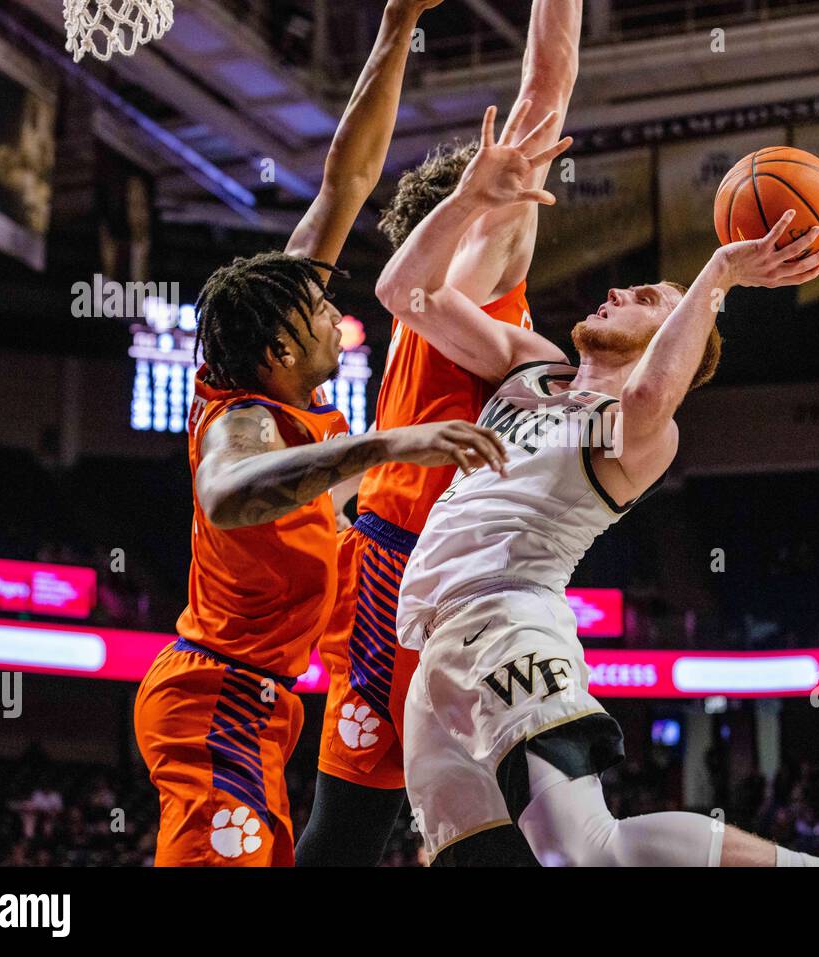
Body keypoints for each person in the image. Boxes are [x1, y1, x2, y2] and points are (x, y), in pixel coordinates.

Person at [376, 105, 819, 867]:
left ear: (677, 340)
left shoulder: (639, 432)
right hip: (437, 643)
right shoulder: (531, 363)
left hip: (507, 616)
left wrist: (720, 273)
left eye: (646, 298)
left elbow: (648, 398)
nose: (619, 292)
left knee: (587, 850)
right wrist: (470, 195)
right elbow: (401, 293)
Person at [132, 0, 508, 867]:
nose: (335, 315)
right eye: (320, 315)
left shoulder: (271, 368)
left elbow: (346, 180)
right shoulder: (242, 421)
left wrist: (396, 22)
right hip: (212, 697)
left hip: (256, 700)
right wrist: (384, 445)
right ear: (276, 350)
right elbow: (227, 495)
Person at [297, 0, 584, 867]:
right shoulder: (481, 256)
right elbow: (547, 87)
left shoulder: (453, 301)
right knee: (486, 811)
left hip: (398, 553)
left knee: (369, 819)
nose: (533, 196)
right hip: (419, 563)